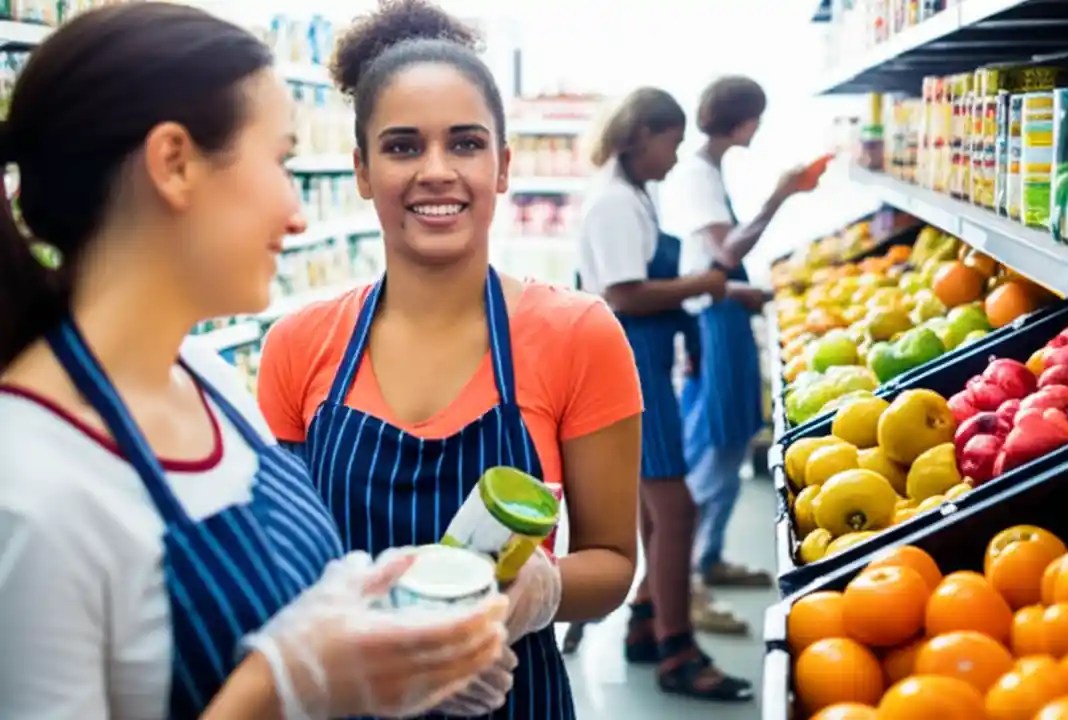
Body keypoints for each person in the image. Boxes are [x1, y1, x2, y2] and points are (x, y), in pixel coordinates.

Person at [0, 4, 511, 719]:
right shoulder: (30, 489)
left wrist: (395, 634)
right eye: (281, 161)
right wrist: (277, 690)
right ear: (175, 164)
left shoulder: (206, 378)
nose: (298, 212)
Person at [255, 2, 643, 717]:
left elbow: (615, 560)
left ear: (502, 166)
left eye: (465, 144)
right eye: (403, 147)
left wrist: (541, 593)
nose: (437, 171)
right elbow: (286, 563)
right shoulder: (298, 346)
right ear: (362, 171)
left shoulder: (580, 335)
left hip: (510, 697)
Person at [574, 87, 752, 702]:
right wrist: (702, 284)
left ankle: (647, 624)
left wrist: (684, 318)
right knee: (677, 510)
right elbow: (624, 295)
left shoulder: (634, 197)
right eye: (671, 143)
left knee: (658, 508)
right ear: (638, 136)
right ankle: (680, 650)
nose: (676, 158)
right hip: (626, 369)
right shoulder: (614, 205)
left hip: (644, 364)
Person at [661, 76, 812, 595]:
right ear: (743, 120)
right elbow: (724, 254)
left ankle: (707, 557)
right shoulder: (698, 176)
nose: (759, 128)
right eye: (758, 118)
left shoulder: (706, 171)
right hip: (713, 321)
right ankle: (684, 578)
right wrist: (781, 196)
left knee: (726, 438)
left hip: (722, 314)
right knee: (717, 443)